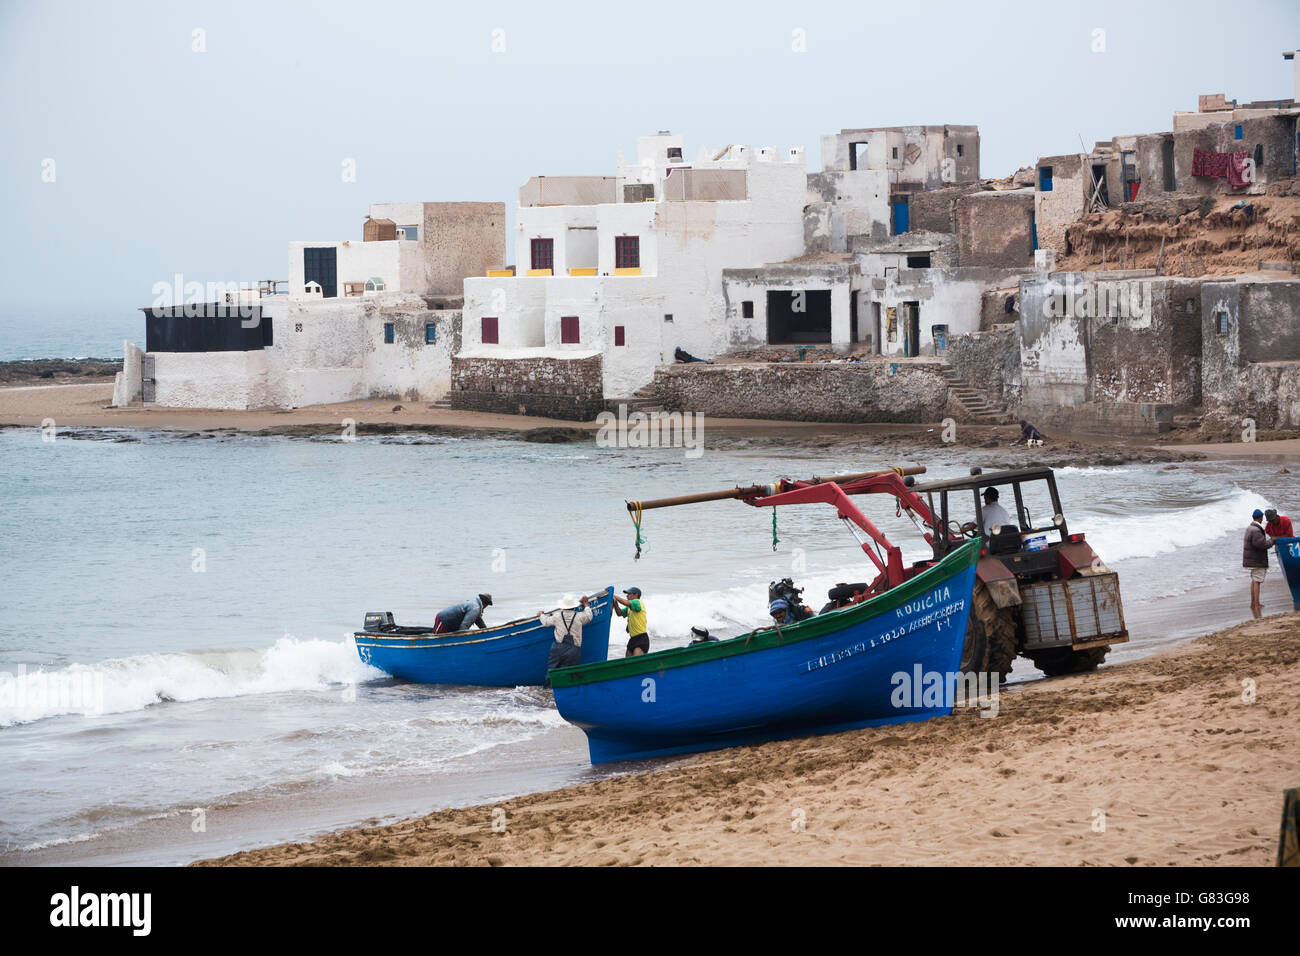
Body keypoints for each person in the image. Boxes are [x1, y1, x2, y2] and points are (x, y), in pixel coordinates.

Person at [540, 595, 595, 674]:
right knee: (570, 674)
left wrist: (541, 615)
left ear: (562, 607)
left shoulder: (557, 616)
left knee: (552, 672)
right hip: (574, 650)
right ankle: (567, 686)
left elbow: (545, 622)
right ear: (573, 606)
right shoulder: (579, 616)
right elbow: (589, 616)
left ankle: (550, 686)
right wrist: (586, 605)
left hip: (558, 649)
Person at [1244, 509, 1275, 620]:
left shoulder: (1250, 528)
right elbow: (1262, 545)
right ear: (1260, 517)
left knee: (1254, 580)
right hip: (1257, 560)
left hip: (1251, 559)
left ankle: (1253, 603)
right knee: (1257, 581)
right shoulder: (1256, 530)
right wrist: (1272, 541)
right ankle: (1256, 604)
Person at [613, 587, 649, 656]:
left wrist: (614, 595)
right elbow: (619, 613)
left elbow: (626, 602)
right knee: (628, 663)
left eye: (629, 594)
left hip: (641, 638)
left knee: (636, 662)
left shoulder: (638, 602)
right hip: (633, 639)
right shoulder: (629, 608)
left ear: (636, 595)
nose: (627, 596)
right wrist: (615, 603)